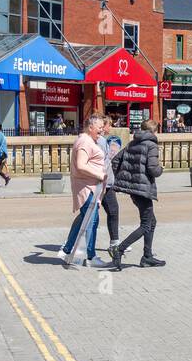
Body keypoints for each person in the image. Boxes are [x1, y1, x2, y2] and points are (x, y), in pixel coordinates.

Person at [108, 120, 165, 269]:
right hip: (143, 189)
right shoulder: (151, 145)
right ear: (154, 131)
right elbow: (153, 169)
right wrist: (161, 169)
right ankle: (119, 250)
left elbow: (115, 161)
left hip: (134, 189)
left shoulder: (132, 143)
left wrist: (122, 179)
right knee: (146, 225)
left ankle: (147, 256)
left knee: (151, 222)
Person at [60, 114, 110, 268]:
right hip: (87, 188)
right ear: (90, 127)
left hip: (91, 187)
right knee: (91, 221)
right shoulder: (84, 142)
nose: (101, 130)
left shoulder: (88, 140)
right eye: (99, 127)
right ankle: (91, 257)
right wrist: (100, 174)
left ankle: (66, 250)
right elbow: (81, 165)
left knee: (84, 219)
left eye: (102, 127)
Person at [98, 116, 123, 253]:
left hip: (107, 182)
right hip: (103, 183)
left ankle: (115, 242)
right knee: (89, 215)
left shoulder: (103, 141)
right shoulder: (100, 141)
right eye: (108, 125)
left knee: (113, 211)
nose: (110, 128)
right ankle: (70, 243)